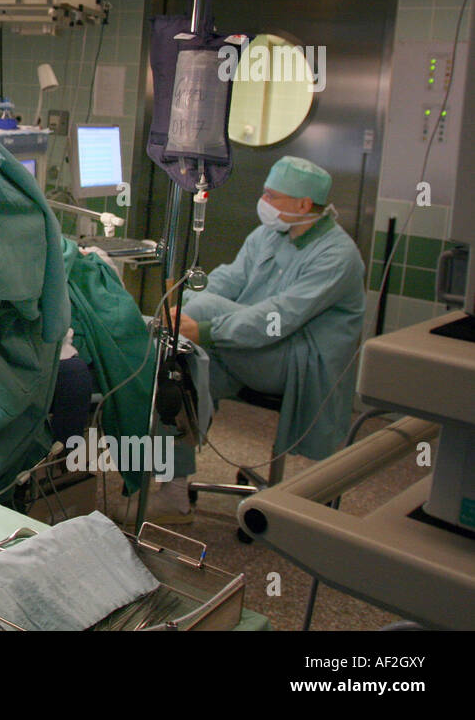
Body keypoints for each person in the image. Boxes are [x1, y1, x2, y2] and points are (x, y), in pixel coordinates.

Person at [139, 156, 364, 523]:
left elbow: (278, 317)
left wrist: (207, 329)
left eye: (272, 196)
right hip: (247, 343)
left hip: (295, 360)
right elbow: (229, 278)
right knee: (177, 368)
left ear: (304, 204)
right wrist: (186, 307)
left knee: (193, 333)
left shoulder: (336, 256)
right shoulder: (269, 235)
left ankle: (153, 330)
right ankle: (174, 493)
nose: (264, 201)